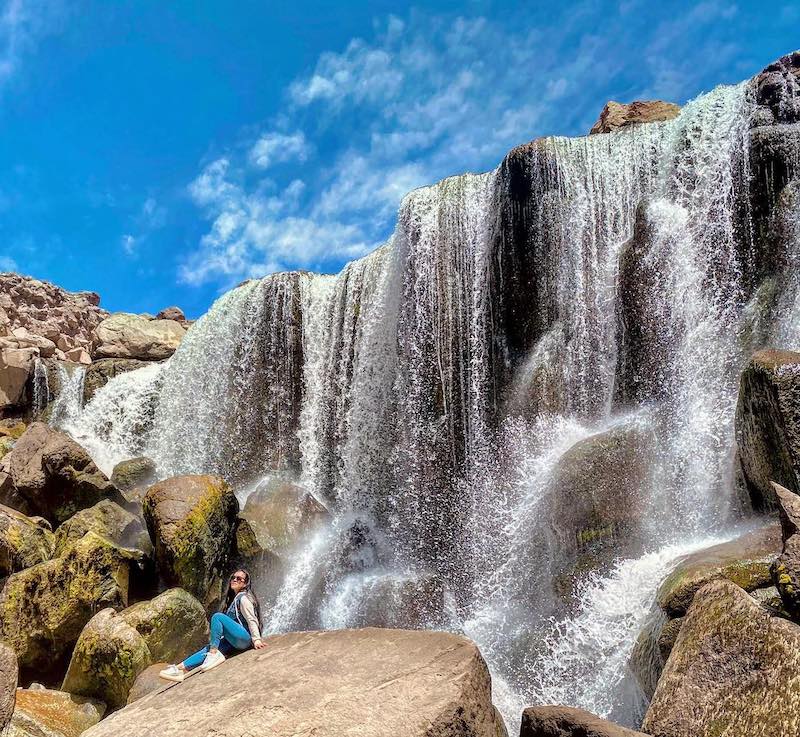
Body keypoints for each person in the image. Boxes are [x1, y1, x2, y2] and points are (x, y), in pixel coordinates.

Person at [159, 568, 266, 682]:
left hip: (245, 638)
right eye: (233, 578)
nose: (234, 580)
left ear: (245, 583)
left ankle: (213, 654)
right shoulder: (234, 599)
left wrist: (256, 639)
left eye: (239, 579)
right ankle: (179, 669)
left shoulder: (243, 597)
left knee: (217, 617)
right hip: (235, 641)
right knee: (209, 647)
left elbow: (251, 619)